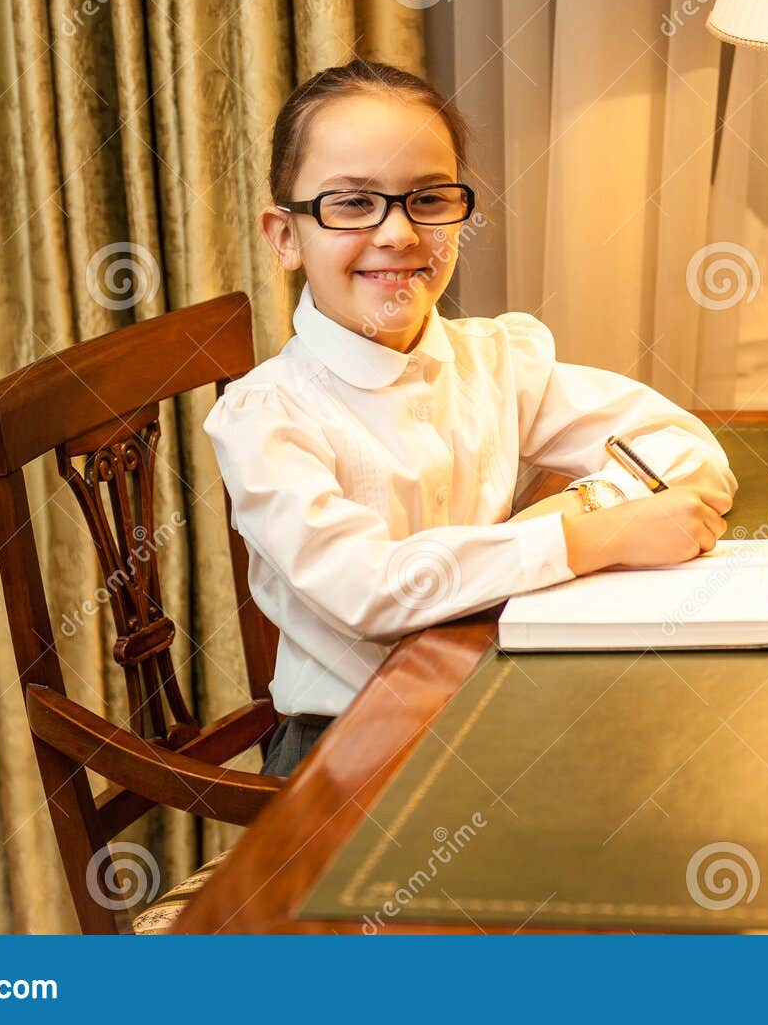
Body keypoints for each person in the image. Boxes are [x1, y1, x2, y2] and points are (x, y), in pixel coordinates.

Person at [204, 58, 737, 777]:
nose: (397, 234)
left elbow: (683, 449)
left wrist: (586, 501)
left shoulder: (495, 360)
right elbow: (373, 590)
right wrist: (594, 536)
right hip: (347, 752)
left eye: (428, 200)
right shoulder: (265, 416)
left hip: (497, 707)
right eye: (353, 204)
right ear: (285, 236)